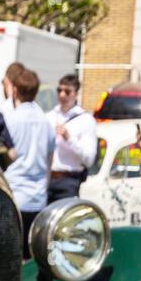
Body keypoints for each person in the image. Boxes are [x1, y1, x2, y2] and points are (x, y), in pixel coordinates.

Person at [4, 67, 53, 256]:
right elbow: (49, 160)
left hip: (14, 192)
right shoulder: (45, 121)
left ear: (15, 90)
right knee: (31, 254)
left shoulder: (10, 119)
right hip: (38, 196)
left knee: (11, 255)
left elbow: (6, 155)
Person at [47, 73, 98, 202]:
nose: (62, 95)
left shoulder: (86, 120)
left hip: (68, 181)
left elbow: (89, 159)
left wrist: (69, 138)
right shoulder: (49, 116)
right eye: (59, 90)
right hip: (46, 179)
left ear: (76, 94)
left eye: (67, 91)